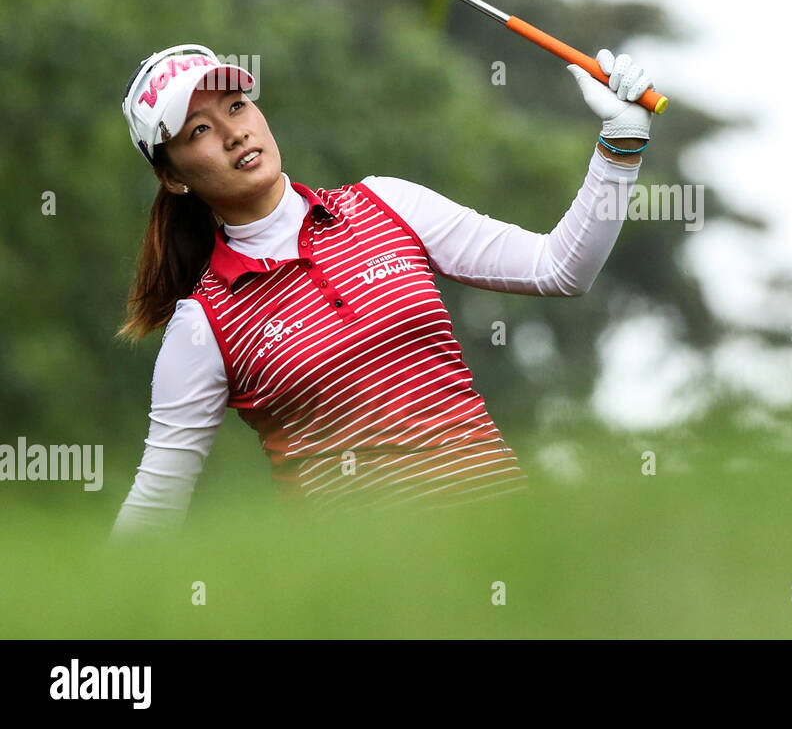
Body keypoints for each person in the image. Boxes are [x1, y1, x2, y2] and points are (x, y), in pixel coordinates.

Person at [110, 43, 653, 536]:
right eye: (197, 131)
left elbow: (560, 269)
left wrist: (621, 142)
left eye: (235, 106)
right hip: (376, 592)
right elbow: (158, 500)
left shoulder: (385, 205)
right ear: (172, 177)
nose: (234, 133)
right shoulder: (205, 321)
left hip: (510, 545)